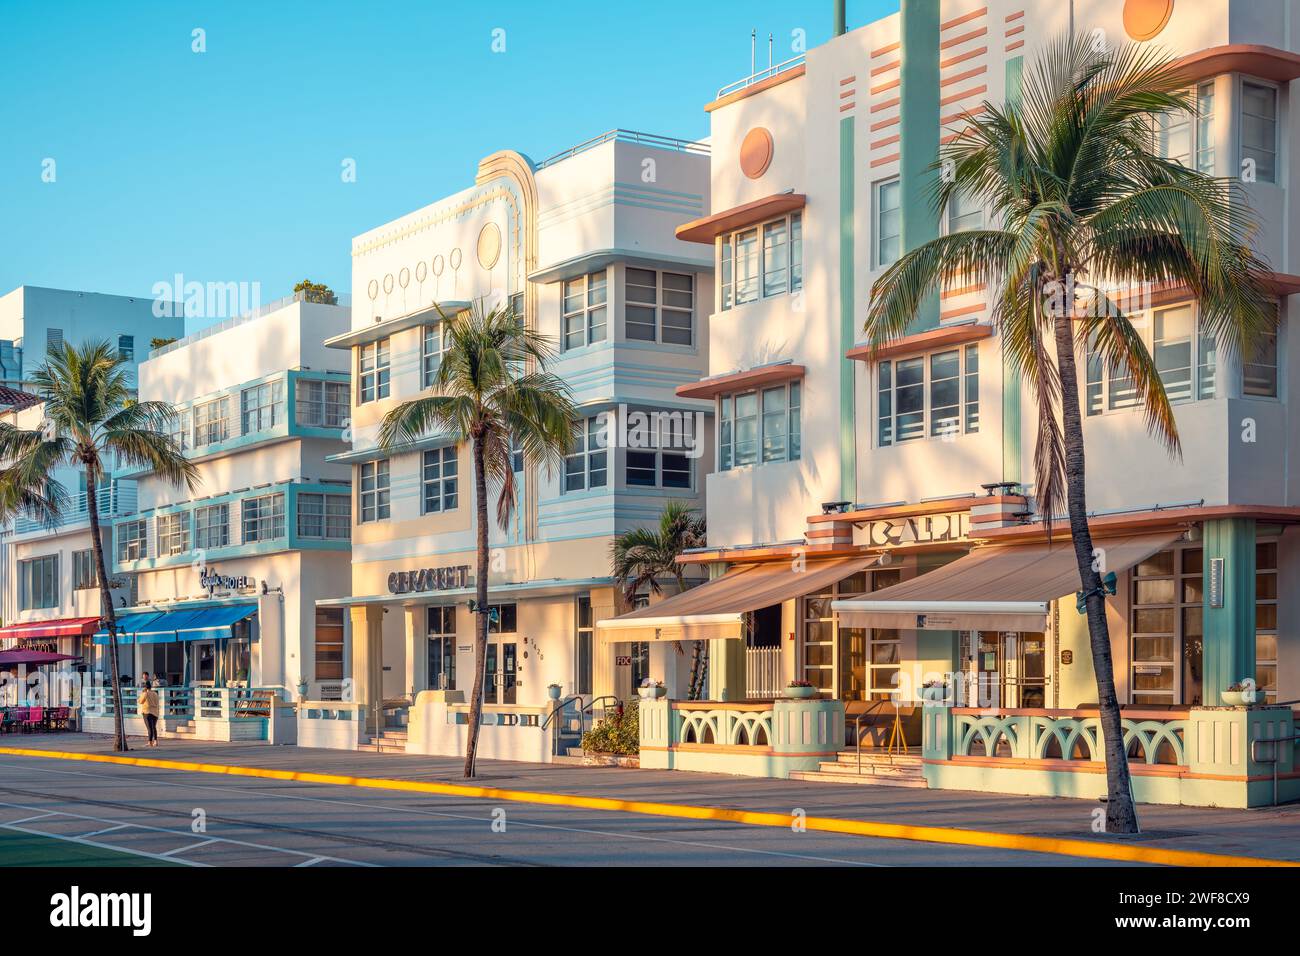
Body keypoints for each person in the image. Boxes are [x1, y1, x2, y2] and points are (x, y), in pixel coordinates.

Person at [137, 680, 160, 748]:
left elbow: (140, 701)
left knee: (149, 728)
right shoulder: (155, 694)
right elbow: (157, 702)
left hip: (147, 712)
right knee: (153, 727)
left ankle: (150, 742)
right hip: (155, 712)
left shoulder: (145, 693)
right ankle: (155, 741)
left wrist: (143, 693)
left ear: (145, 687)